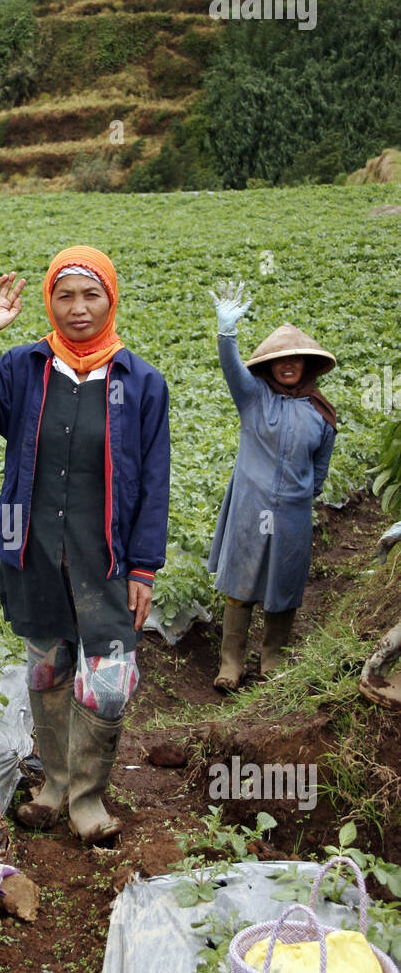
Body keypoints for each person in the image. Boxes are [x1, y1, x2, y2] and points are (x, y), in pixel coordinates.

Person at [0, 247, 170, 845]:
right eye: (64, 295)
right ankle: (55, 784)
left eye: (91, 295)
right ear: (48, 302)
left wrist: (144, 566)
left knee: (109, 681)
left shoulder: (140, 383)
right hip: (34, 550)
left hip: (107, 558)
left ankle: (89, 795)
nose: (78, 308)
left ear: (110, 299)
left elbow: (154, 479)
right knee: (47, 669)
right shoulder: (23, 368)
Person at [208, 280, 337, 690]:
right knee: (241, 583)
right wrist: (227, 334)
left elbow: (320, 467)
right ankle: (231, 663)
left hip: (294, 512)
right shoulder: (253, 398)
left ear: (306, 366)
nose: (287, 366)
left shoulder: (319, 414)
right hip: (251, 505)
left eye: (295, 361)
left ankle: (272, 659)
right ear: (268, 365)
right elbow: (231, 368)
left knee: (284, 584)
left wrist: (302, 494)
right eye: (280, 360)